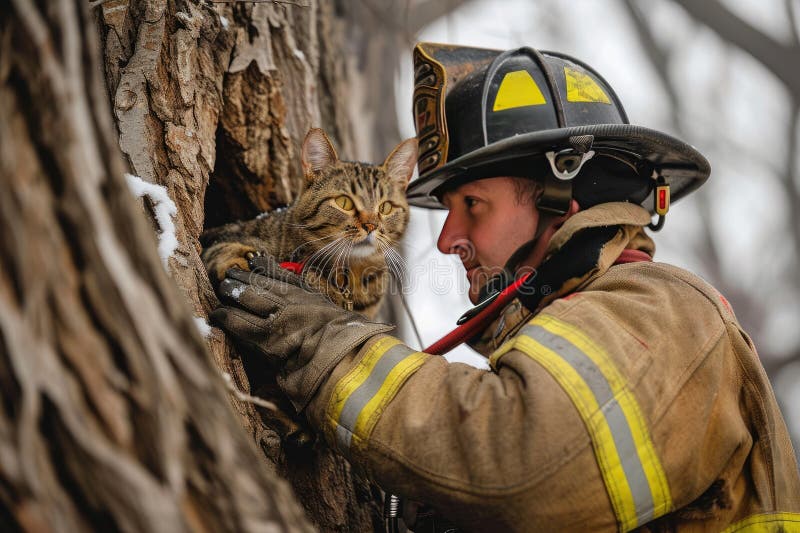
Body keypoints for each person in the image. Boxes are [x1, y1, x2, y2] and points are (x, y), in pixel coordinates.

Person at [210, 43, 800, 532]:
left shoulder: (668, 311)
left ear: (562, 195)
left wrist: (325, 344)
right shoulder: (572, 334)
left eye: (472, 205)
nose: (447, 240)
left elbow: (521, 461)